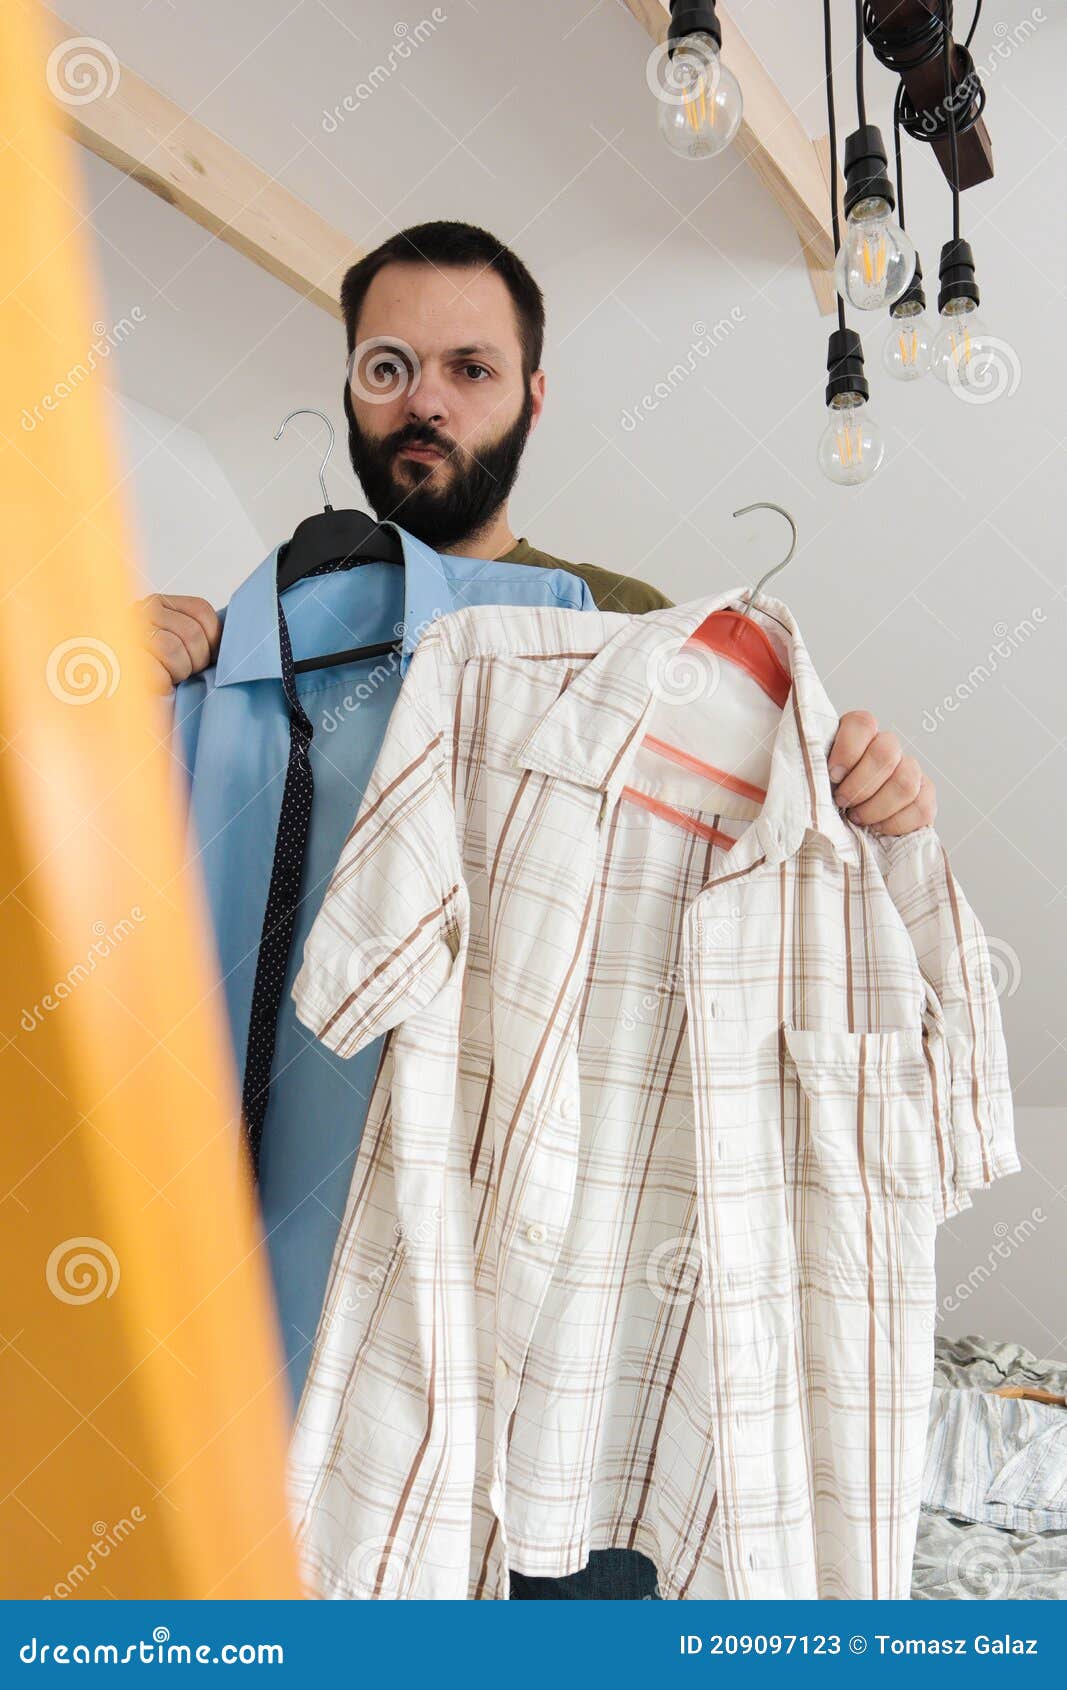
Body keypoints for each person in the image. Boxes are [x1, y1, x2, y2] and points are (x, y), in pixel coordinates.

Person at [140, 220, 937, 1600]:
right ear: (348, 381)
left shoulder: (631, 639)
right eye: (391, 366)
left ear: (531, 394)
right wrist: (93, 675)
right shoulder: (221, 652)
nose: (426, 403)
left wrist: (885, 806)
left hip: (546, 1293)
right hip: (262, 1262)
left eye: (469, 368)